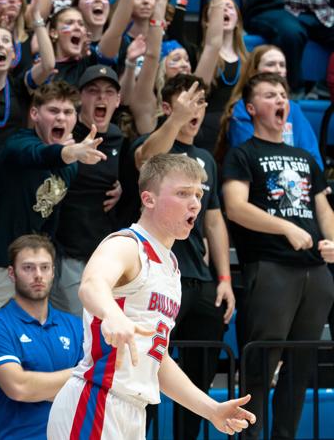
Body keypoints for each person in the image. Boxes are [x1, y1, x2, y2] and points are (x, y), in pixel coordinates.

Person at [47, 153, 255, 439]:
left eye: (198, 194)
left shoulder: (170, 266)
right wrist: (113, 314)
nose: (195, 202)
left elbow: (157, 359)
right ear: (148, 199)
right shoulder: (127, 245)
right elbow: (92, 284)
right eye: (182, 193)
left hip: (134, 409)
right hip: (97, 399)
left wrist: (211, 410)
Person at [0, 80, 106, 429]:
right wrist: (69, 152)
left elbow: (49, 216)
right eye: (53, 110)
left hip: (31, 270)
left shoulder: (70, 166)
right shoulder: (18, 144)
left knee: (39, 359)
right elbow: (38, 155)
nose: (62, 117)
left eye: (68, 111)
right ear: (35, 114)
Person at [222, 72, 334, 439]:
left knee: (300, 365)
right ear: (252, 108)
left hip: (315, 272)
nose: (280, 100)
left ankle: (284, 436)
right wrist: (284, 227)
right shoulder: (243, 154)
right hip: (271, 267)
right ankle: (249, 436)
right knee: (261, 361)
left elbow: (323, 210)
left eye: (283, 94)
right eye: (270, 95)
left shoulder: (304, 157)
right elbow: (236, 208)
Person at [132, 75, 236, 439]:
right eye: (187, 101)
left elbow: (214, 221)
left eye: (201, 101)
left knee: (198, 380)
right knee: (145, 371)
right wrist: (175, 120)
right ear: (167, 107)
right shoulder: (152, 145)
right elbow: (148, 159)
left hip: (199, 279)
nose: (196, 108)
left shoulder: (206, 157)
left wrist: (224, 278)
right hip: (156, 277)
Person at [0, 233, 83, 440]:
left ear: (53, 272)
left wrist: (40, 387)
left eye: (44, 267)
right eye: (28, 268)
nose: (38, 275)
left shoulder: (75, 326)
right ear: (11, 273)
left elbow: (92, 390)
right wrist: (80, 375)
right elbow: (19, 387)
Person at [52, 66, 124, 317]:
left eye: (108, 92)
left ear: (118, 100)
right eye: (93, 91)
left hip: (107, 257)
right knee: (77, 332)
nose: (101, 97)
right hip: (69, 252)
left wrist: (125, 187)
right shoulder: (66, 135)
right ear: (80, 98)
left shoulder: (119, 138)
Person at [239, 0, 334, 94]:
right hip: (276, 8)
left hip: (323, 11)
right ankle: (292, 92)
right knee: (290, 32)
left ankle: (325, 87)